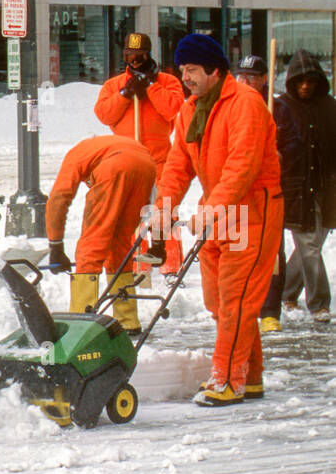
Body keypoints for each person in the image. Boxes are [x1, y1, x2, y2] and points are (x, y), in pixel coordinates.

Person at [148, 34, 283, 407]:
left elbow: (242, 166)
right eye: (182, 70)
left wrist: (213, 209)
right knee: (219, 300)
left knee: (237, 299)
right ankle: (250, 377)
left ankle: (226, 380)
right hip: (219, 210)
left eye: (191, 70)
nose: (185, 78)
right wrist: (164, 207)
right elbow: (178, 164)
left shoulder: (245, 104)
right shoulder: (191, 109)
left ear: (214, 70)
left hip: (251, 211)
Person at [46, 136, 158, 335]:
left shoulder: (75, 156)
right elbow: (156, 202)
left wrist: (55, 245)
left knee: (92, 243)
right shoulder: (103, 148)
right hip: (147, 166)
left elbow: (59, 198)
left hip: (113, 167)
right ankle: (127, 320)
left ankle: (80, 322)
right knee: (120, 244)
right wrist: (159, 240)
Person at [94, 31, 185, 271]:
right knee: (129, 213)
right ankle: (137, 264)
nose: (134, 61)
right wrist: (125, 93)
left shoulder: (168, 82)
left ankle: (170, 265)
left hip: (160, 159)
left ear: (148, 55)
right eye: (129, 56)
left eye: (139, 56)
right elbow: (104, 114)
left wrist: (151, 86)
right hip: (128, 160)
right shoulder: (113, 85)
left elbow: (172, 109)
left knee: (164, 210)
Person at [234, 54, 298, 334]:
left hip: (270, 192)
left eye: (252, 77)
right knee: (238, 250)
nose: (246, 82)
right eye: (241, 76)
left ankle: (270, 311)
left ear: (263, 79)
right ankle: (241, 306)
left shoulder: (279, 108)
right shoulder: (230, 106)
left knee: (271, 252)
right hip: (238, 190)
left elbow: (295, 143)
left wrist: (280, 155)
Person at [276, 51, 336, 325]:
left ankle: (287, 291)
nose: (305, 86)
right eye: (300, 81)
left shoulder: (330, 106)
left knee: (311, 245)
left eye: (310, 81)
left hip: (327, 188)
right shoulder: (282, 107)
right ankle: (319, 303)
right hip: (297, 189)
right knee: (310, 245)